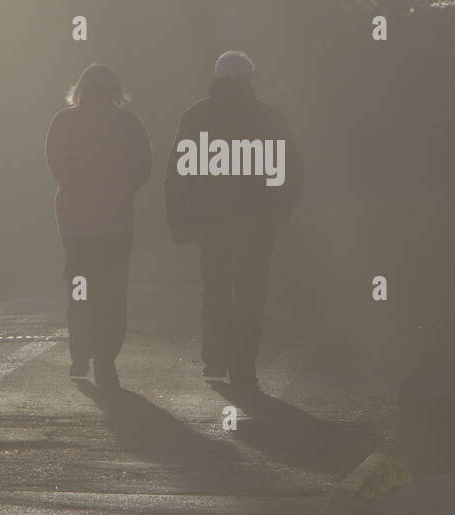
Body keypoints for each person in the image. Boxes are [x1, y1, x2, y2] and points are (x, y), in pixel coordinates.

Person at [164, 51, 303, 395]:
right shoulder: (269, 117)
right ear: (248, 79)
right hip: (257, 223)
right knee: (250, 294)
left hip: (212, 222)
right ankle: (244, 368)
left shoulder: (196, 116)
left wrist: (179, 219)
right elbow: (289, 170)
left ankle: (215, 358)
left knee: (215, 290)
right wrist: (280, 210)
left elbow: (179, 171)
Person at [46, 64, 152, 389]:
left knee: (78, 286)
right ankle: (106, 361)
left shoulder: (62, 121)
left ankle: (80, 355)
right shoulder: (128, 123)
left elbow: (55, 164)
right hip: (116, 223)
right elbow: (143, 167)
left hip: (74, 222)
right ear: (115, 92)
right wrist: (121, 192)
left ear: (80, 89)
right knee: (112, 290)